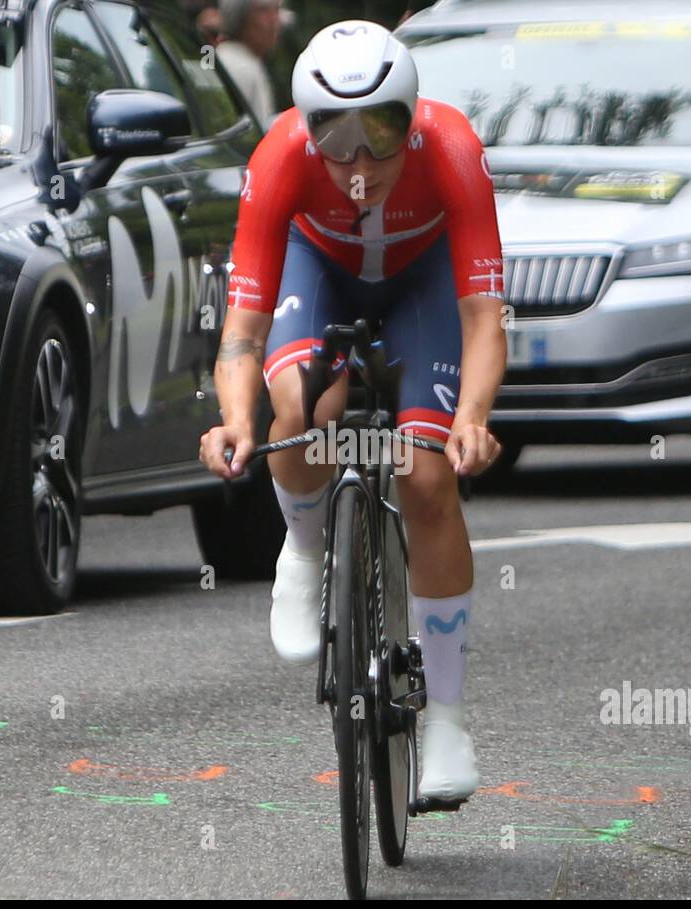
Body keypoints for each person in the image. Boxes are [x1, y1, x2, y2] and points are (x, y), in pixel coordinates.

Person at [198, 20, 506, 801]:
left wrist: (471, 415)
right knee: (300, 406)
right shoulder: (278, 160)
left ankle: (447, 723)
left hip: (423, 284)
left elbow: (481, 318)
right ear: (306, 128)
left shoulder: (454, 150)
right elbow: (243, 330)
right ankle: (303, 550)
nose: (360, 162)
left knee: (429, 479)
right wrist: (235, 420)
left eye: (381, 133)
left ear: (414, 117)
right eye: (334, 136)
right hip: (321, 271)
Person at [216, 0, 282, 130]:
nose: (274, 20)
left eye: (277, 10)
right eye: (263, 10)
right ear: (238, 18)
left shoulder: (243, 59)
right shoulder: (238, 66)